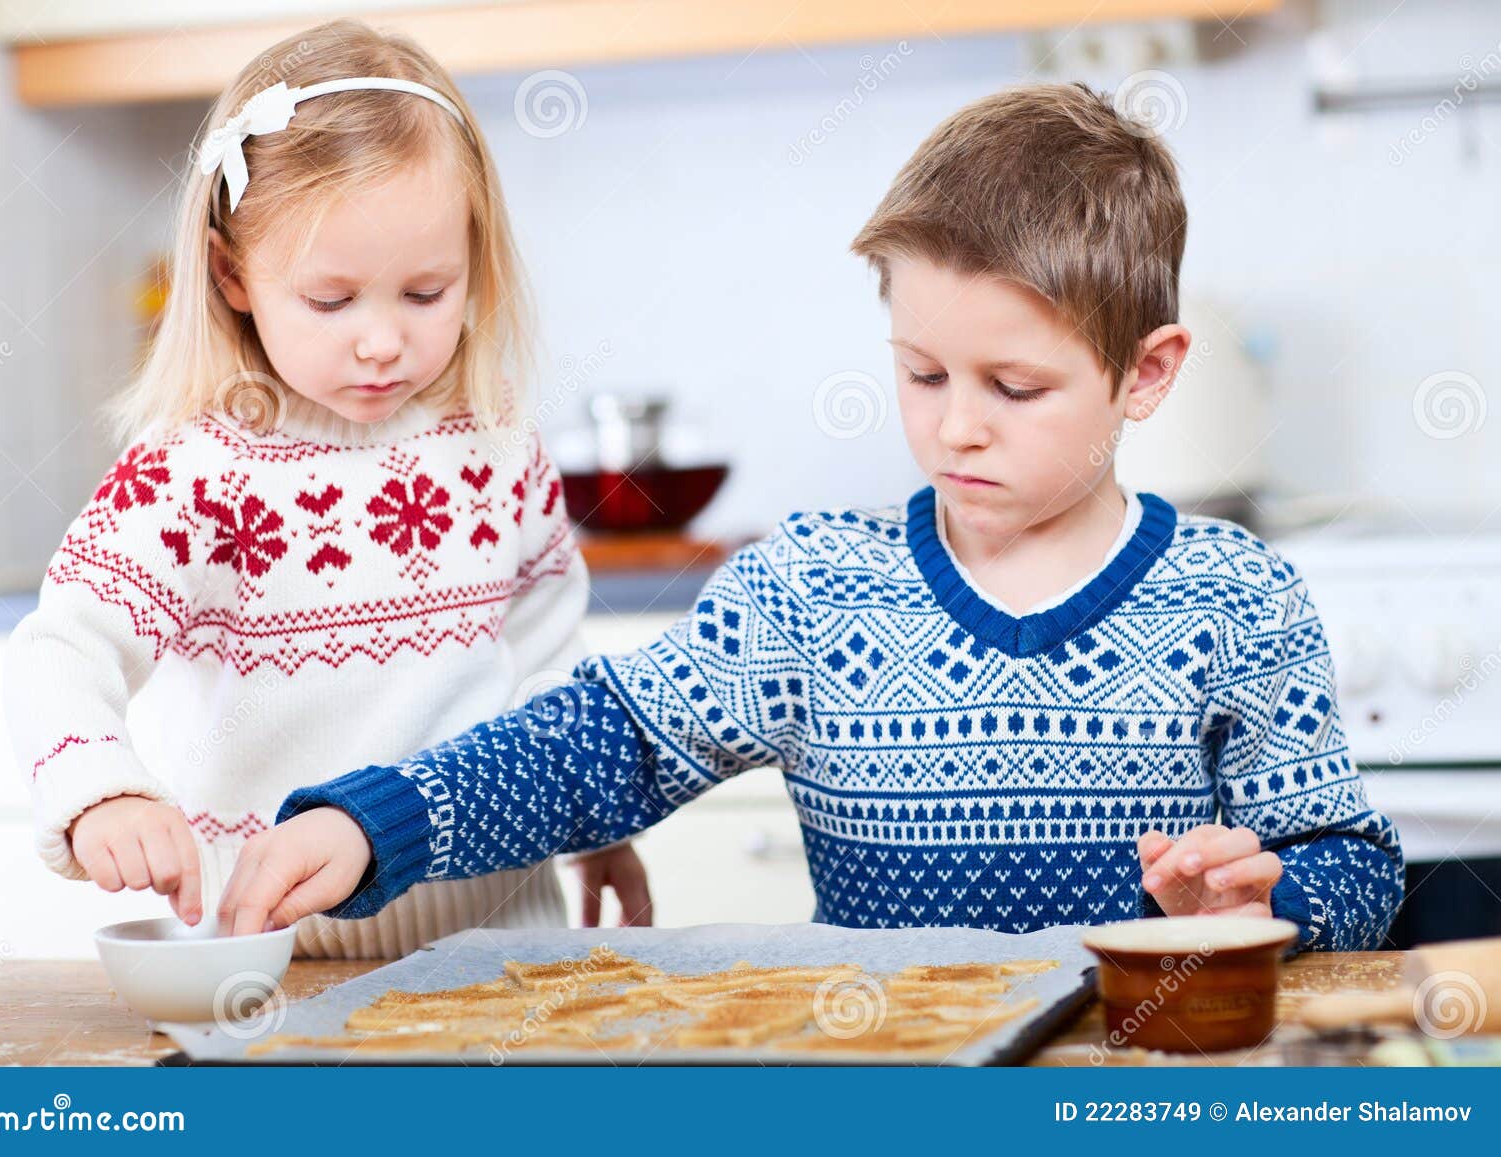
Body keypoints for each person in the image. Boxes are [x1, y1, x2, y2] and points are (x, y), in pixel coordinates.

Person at [217, 83, 1403, 953]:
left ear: (1144, 375)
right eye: (923, 373)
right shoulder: (816, 589)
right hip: (888, 1092)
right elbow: (603, 743)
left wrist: (1270, 905)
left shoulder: (1235, 594)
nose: (956, 428)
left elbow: (1351, 861)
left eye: (1015, 387)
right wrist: (383, 822)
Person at [3, 19, 650, 959]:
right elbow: (62, 647)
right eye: (333, 300)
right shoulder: (197, 466)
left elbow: (547, 663)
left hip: (508, 938)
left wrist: (594, 824)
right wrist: (101, 783)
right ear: (232, 274)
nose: (382, 339)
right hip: (275, 952)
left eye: (426, 292)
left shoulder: (495, 437)